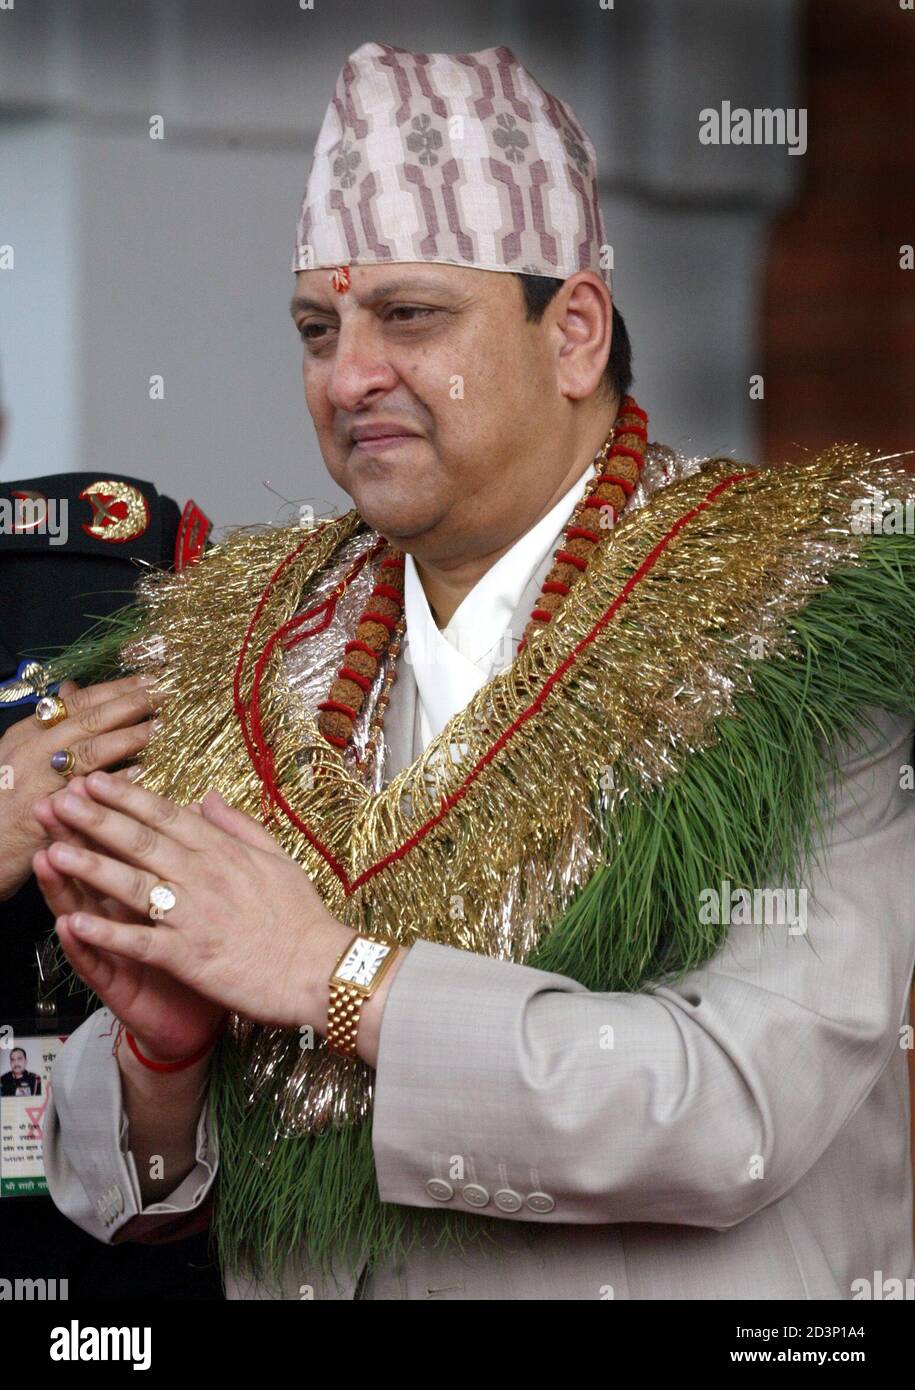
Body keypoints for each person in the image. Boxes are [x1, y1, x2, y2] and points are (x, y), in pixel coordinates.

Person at [35, 42, 915, 1301]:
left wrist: (333, 976)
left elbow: (734, 1105)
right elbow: (134, 1193)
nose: (348, 377)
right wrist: (165, 1066)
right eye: (316, 328)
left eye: (410, 316)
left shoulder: (796, 625)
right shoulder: (250, 647)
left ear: (573, 332)